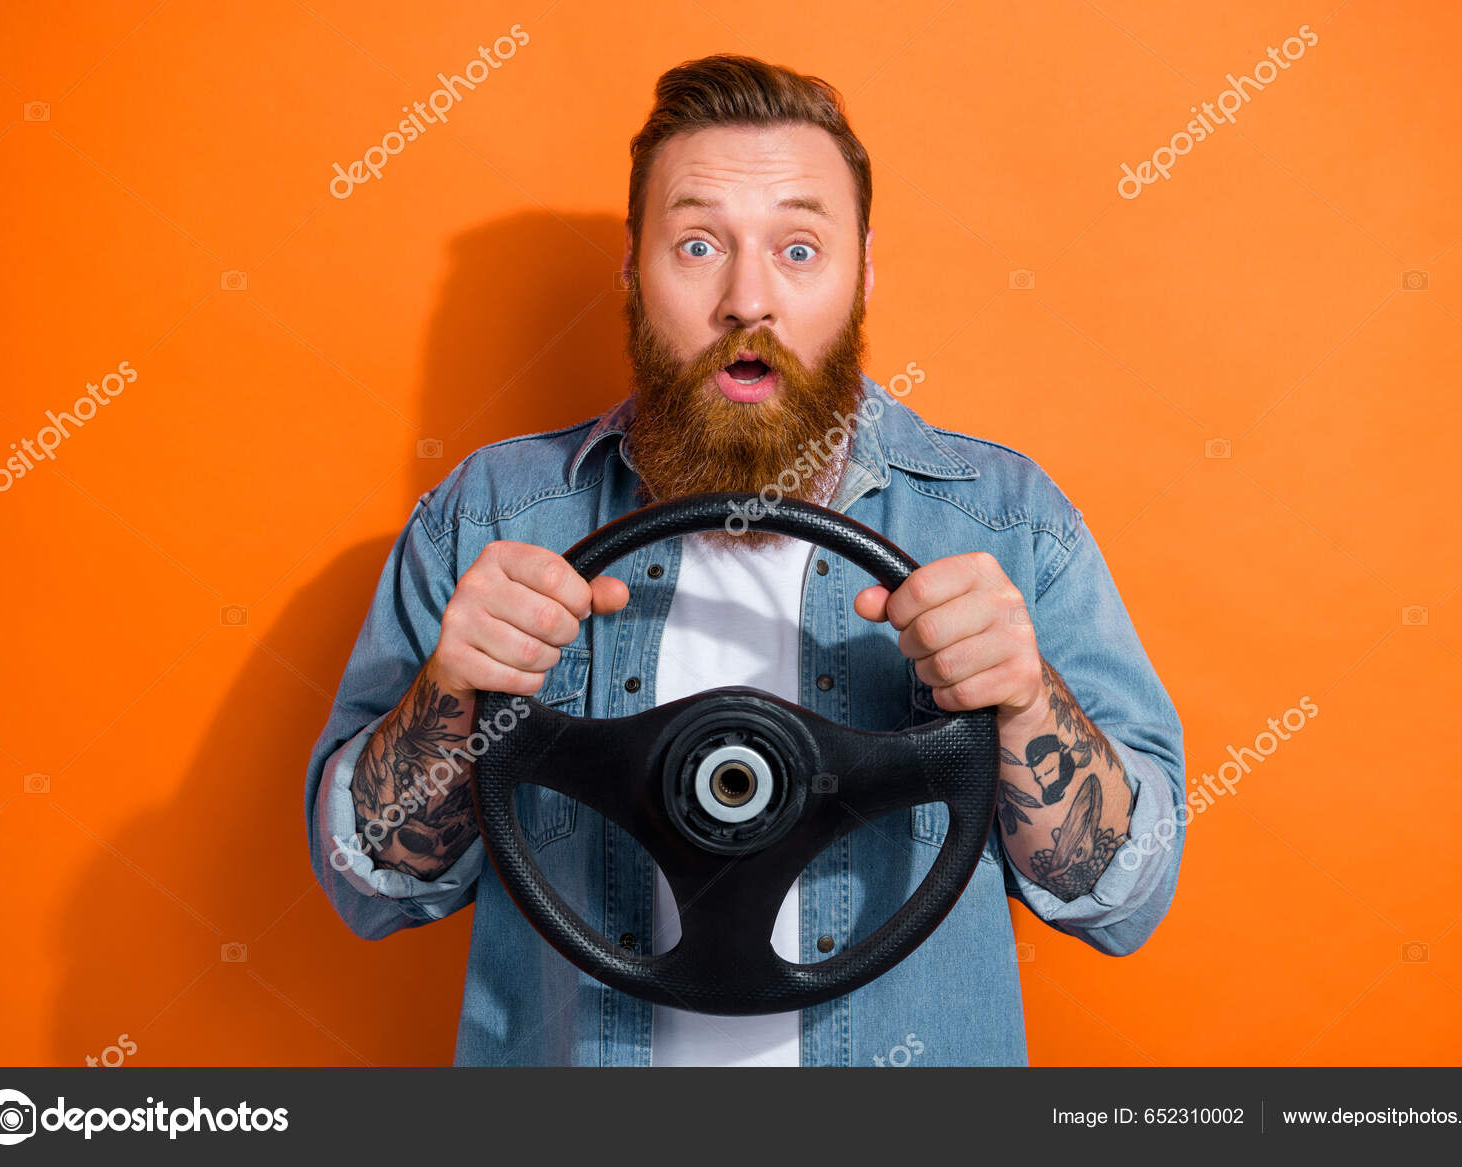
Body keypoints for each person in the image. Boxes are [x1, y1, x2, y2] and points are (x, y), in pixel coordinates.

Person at [304, 53, 1186, 1067]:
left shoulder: (1008, 524)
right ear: (633, 272)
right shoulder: (493, 516)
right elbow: (370, 886)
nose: (747, 299)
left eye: (800, 248)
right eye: (696, 245)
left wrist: (1027, 701)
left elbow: (1123, 900)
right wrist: (454, 691)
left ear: (865, 271)